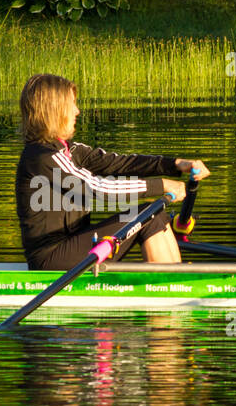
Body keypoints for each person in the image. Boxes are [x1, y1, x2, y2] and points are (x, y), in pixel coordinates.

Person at [16, 73, 209, 270]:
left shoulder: (70, 150)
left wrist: (175, 164)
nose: (77, 111)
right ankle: (167, 287)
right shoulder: (41, 157)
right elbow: (99, 188)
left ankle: (177, 282)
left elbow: (120, 163)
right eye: (72, 104)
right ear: (54, 109)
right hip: (51, 258)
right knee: (147, 215)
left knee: (155, 214)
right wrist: (161, 185)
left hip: (77, 245)